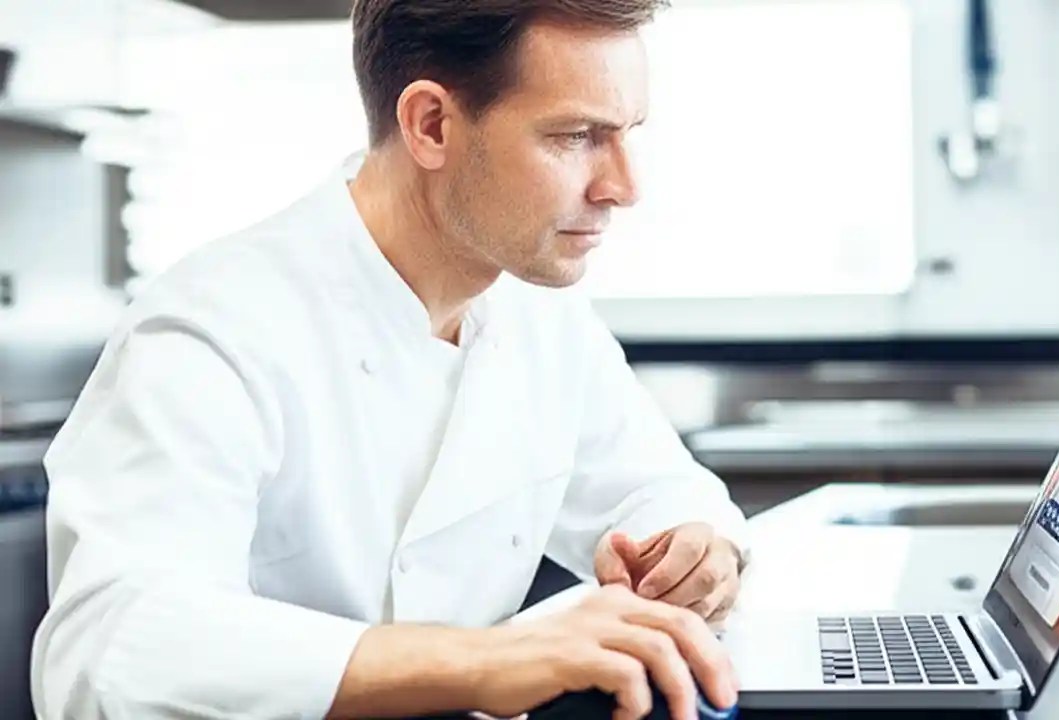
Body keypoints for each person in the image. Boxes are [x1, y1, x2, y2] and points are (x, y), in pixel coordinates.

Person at [29, 1, 749, 719]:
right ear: (431, 124)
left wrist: (696, 550)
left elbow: (656, 491)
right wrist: (488, 659)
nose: (622, 186)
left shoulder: (543, 321)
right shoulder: (214, 329)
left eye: (627, 135)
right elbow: (110, 653)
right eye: (574, 137)